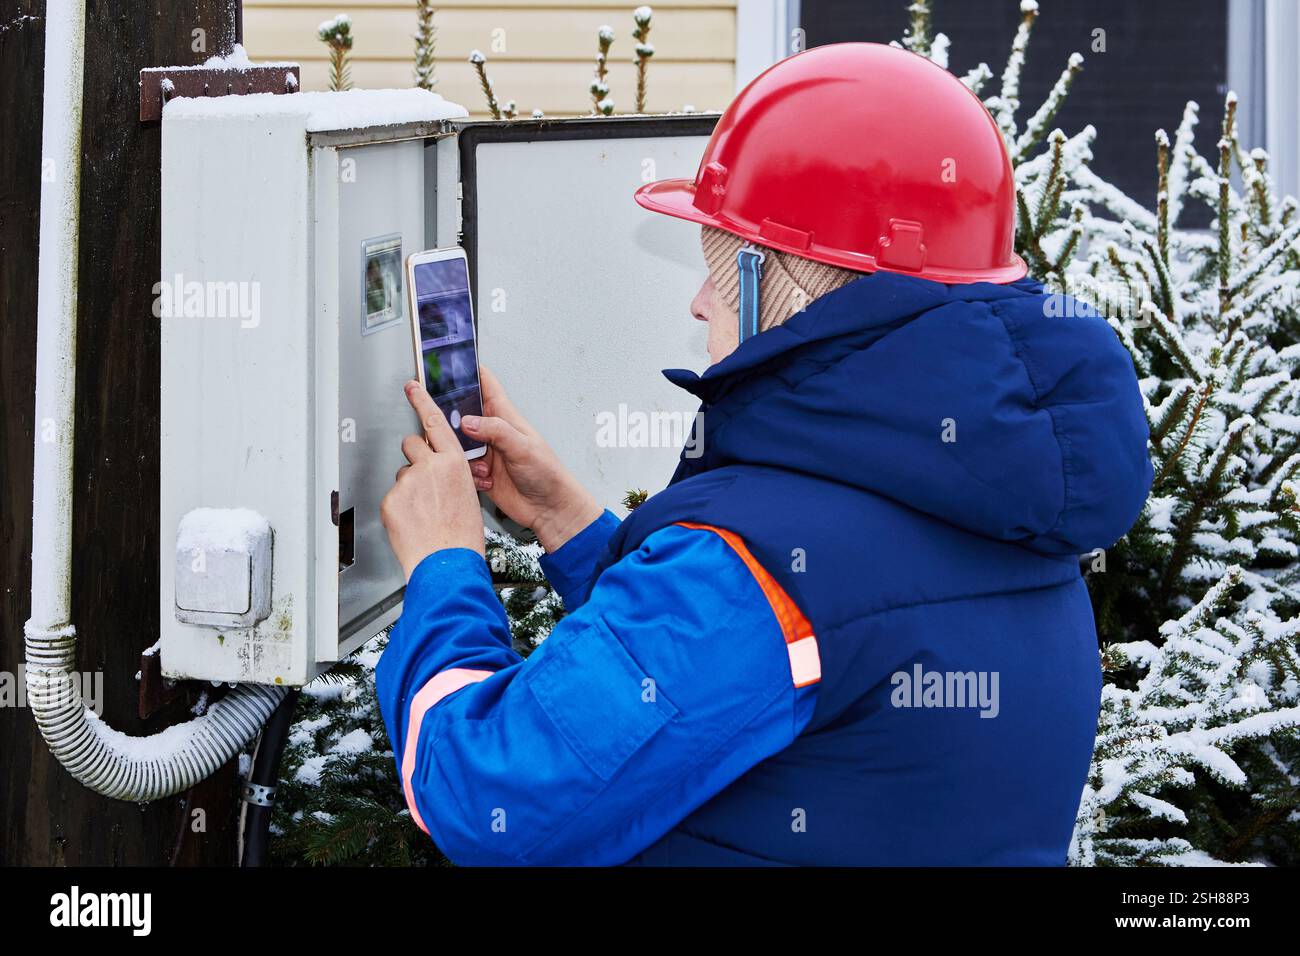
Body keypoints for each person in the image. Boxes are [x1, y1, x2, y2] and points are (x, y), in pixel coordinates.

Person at [375, 43, 1153, 866]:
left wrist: (445, 568)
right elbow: (793, 651)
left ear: (777, 279)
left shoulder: (754, 568)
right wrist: (566, 521)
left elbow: (488, 793)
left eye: (717, 264)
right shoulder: (1003, 490)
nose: (699, 298)